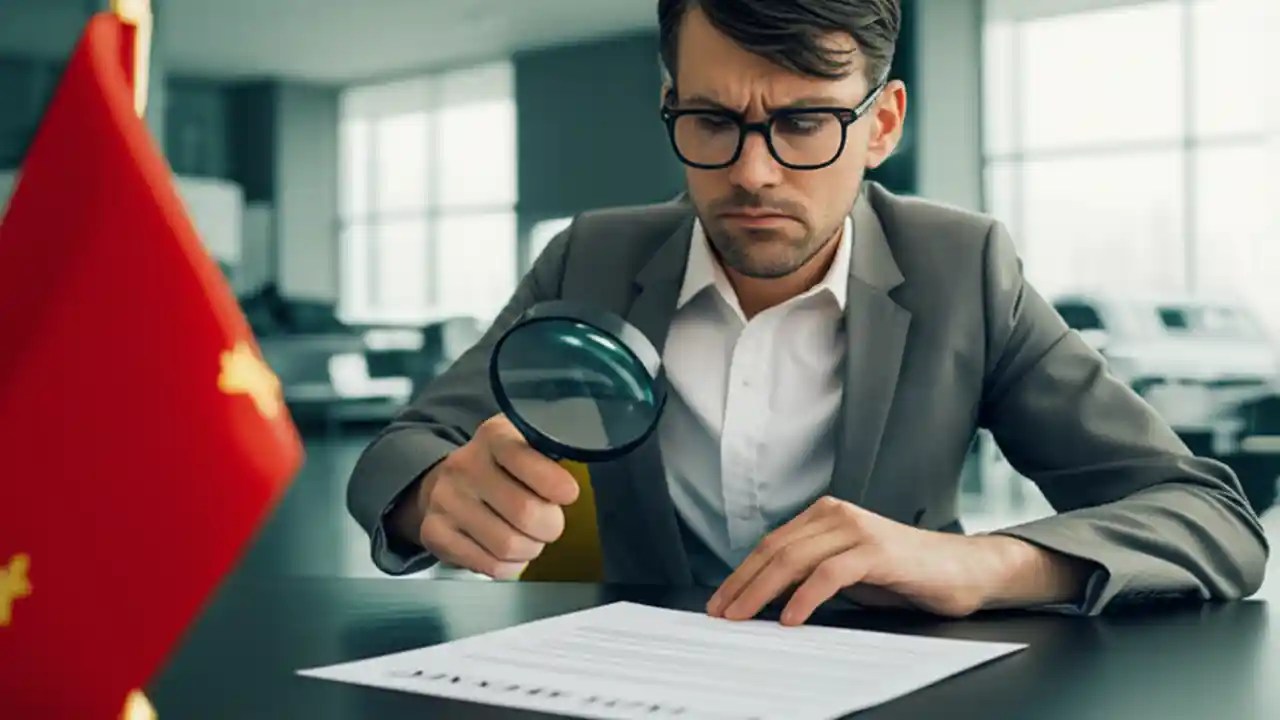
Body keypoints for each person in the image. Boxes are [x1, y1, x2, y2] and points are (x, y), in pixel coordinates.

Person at [346, 0, 1269, 626]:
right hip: (638, 685)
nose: (752, 171)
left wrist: (979, 566)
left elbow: (1209, 518)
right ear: (670, 105)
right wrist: (434, 494)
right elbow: (405, 445)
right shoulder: (592, 255)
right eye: (711, 121)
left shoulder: (962, 269)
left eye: (803, 124)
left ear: (883, 124)